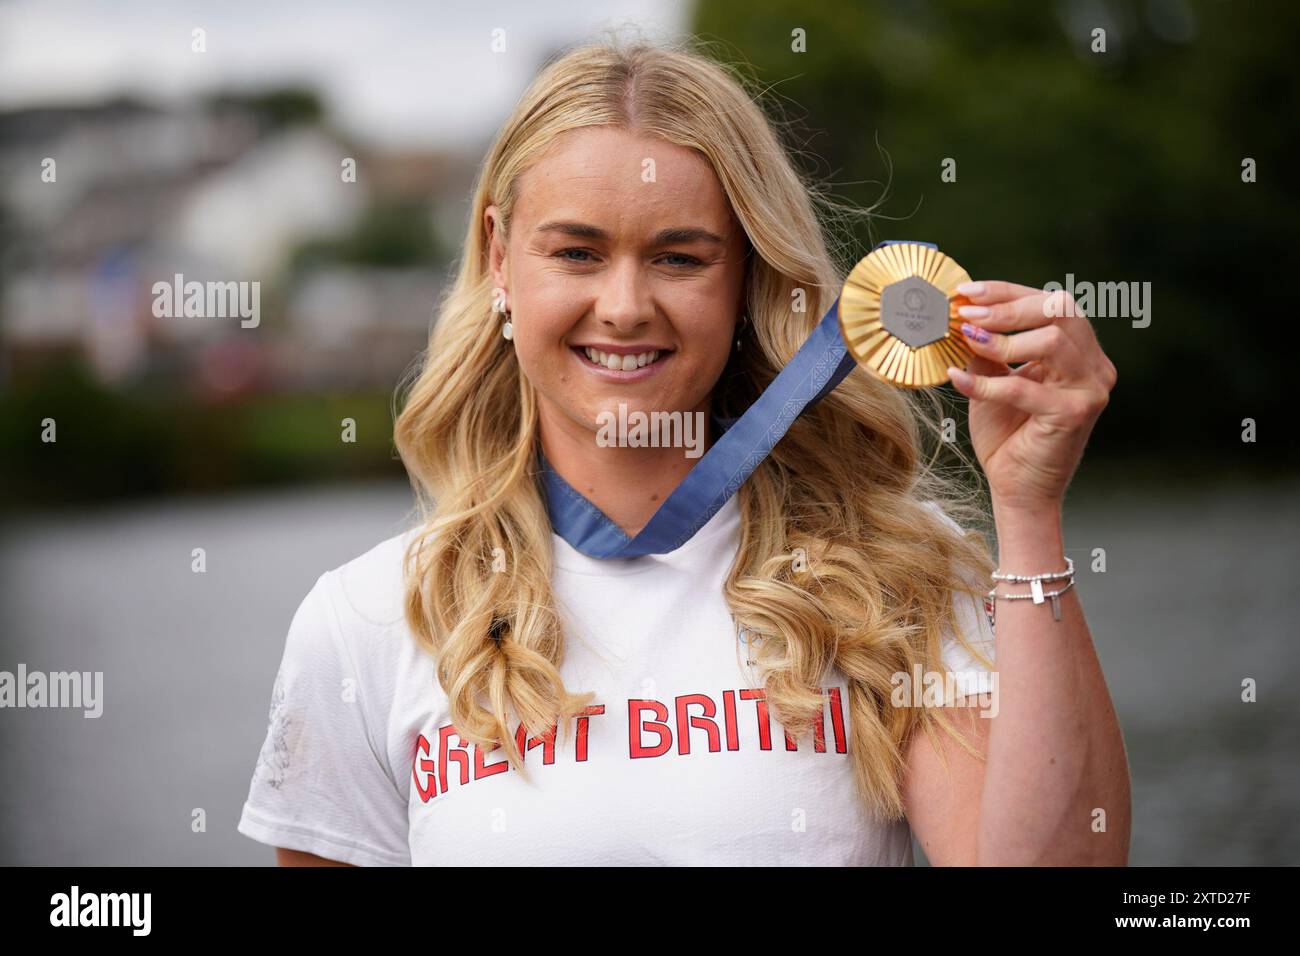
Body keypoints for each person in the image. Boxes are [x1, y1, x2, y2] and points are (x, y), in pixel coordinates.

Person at [237, 35, 1128, 866]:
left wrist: (1028, 511)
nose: (624, 305)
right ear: (501, 257)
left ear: (748, 278)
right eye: (578, 252)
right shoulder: (366, 622)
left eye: (679, 258)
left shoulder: (899, 578)